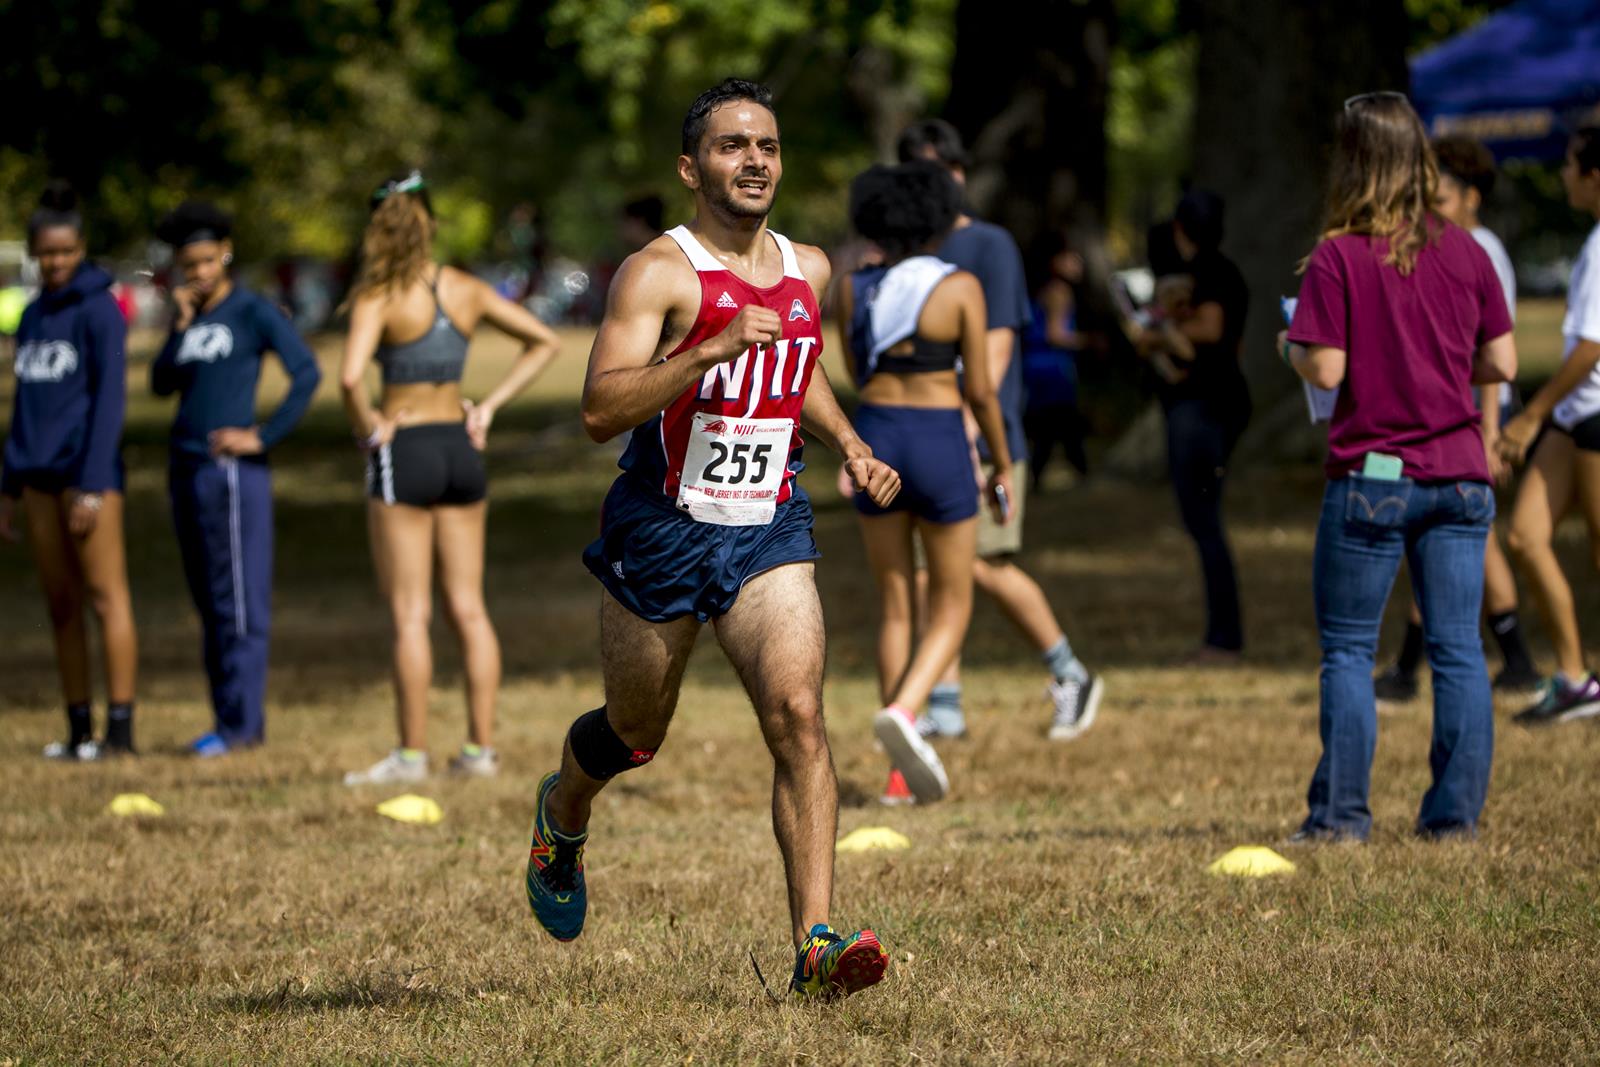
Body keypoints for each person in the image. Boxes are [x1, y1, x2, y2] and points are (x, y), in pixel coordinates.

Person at [523, 79, 900, 998]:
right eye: (733, 146)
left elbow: (793, 370)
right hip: (661, 527)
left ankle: (815, 942)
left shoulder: (808, 268)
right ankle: (563, 811)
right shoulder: (660, 272)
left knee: (800, 716)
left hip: (770, 524)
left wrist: (848, 440)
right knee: (635, 729)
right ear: (693, 168)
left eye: (767, 146)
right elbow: (597, 408)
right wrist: (702, 351)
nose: (755, 161)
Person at [1284, 91, 1517, 841]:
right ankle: (1455, 819)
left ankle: (1341, 817)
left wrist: (1292, 344)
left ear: (1349, 161)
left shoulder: (1340, 254)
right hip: (1459, 472)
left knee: (1351, 648)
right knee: (1458, 646)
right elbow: (1503, 361)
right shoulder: (1468, 250)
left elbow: (1324, 370)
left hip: (1376, 475)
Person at [340, 171, 562, 784]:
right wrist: (486, 407)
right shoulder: (465, 287)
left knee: (412, 614)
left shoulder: (378, 294)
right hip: (460, 451)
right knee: (469, 606)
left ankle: (411, 757)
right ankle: (479, 751)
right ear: (432, 224)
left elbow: (352, 378)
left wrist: (370, 430)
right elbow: (543, 341)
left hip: (405, 449)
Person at [894, 119, 1102, 758]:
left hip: (982, 437)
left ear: (958, 174)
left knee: (986, 565)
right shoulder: (911, 250)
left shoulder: (989, 246)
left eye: (939, 173)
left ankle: (1071, 673)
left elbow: (999, 348)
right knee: (931, 574)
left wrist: (966, 430)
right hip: (926, 436)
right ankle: (948, 709)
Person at [840, 161, 1014, 804]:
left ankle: (895, 777)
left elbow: (859, 372)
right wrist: (999, 462)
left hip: (878, 436)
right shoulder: (960, 284)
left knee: (893, 600)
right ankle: (908, 712)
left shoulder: (854, 288)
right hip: (941, 439)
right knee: (952, 601)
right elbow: (982, 390)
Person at [150, 201, 322, 757]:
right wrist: (178, 324)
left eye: (205, 261)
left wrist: (263, 436)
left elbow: (306, 371)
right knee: (207, 599)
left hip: (232, 474)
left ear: (225, 253)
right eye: (187, 265)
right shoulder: (190, 316)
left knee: (239, 602)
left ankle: (243, 727)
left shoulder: (251, 311)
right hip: (186, 468)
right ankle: (223, 720)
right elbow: (159, 383)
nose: (198, 273)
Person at [1373, 136, 1540, 701]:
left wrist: (1490, 433)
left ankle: (1414, 666)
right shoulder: (1456, 244)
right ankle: (1502, 660)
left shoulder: (1479, 251)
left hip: (1474, 412)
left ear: (1471, 198)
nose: (1430, 212)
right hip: (1458, 412)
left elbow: (1492, 357)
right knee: (1462, 533)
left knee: (1449, 532)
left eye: (1440, 200)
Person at [0, 183, 139, 759]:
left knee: (106, 597)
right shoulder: (32, 315)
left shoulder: (99, 311)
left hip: (87, 479)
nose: (55, 263)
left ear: (81, 248)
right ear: (34, 254)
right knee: (60, 602)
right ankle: (79, 727)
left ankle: (121, 730)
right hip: (36, 480)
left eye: (65, 252)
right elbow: (24, 407)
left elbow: (110, 404)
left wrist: (94, 482)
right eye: (46, 254)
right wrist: (7, 487)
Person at [1499, 126, 1600, 724]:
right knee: (1525, 536)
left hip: (1592, 414)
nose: (1561, 174)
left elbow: (1591, 347)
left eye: (1568, 164)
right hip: (1572, 417)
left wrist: (1532, 413)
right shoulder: (1590, 241)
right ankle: (1573, 678)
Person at [1133, 189, 1251, 659]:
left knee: (1204, 522)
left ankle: (1224, 636)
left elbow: (1212, 329)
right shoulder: (1220, 273)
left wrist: (1160, 335)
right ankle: (1221, 632)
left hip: (1203, 409)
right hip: (1207, 406)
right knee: (1203, 521)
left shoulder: (1211, 276)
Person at [1022, 230, 1091, 486]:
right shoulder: (1060, 292)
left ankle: (1043, 473)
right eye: (1071, 257)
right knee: (1061, 423)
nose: (1078, 262)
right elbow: (1056, 333)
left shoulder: (1042, 288)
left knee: (1049, 426)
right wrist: (1087, 341)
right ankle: (1079, 470)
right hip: (1053, 369)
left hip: (1036, 366)